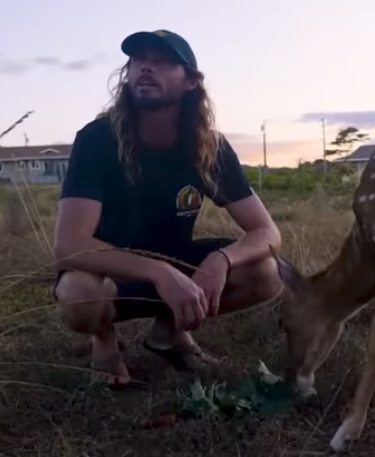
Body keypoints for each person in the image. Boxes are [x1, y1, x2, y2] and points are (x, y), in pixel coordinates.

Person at [52, 29, 283, 388]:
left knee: (267, 273)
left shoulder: (210, 147)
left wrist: (220, 261)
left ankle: (168, 334)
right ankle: (104, 338)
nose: (145, 67)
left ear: (190, 81)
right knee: (78, 294)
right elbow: (69, 245)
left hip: (177, 261)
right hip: (111, 268)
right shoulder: (97, 139)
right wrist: (160, 272)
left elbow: (267, 233)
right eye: (138, 60)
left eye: (161, 61)